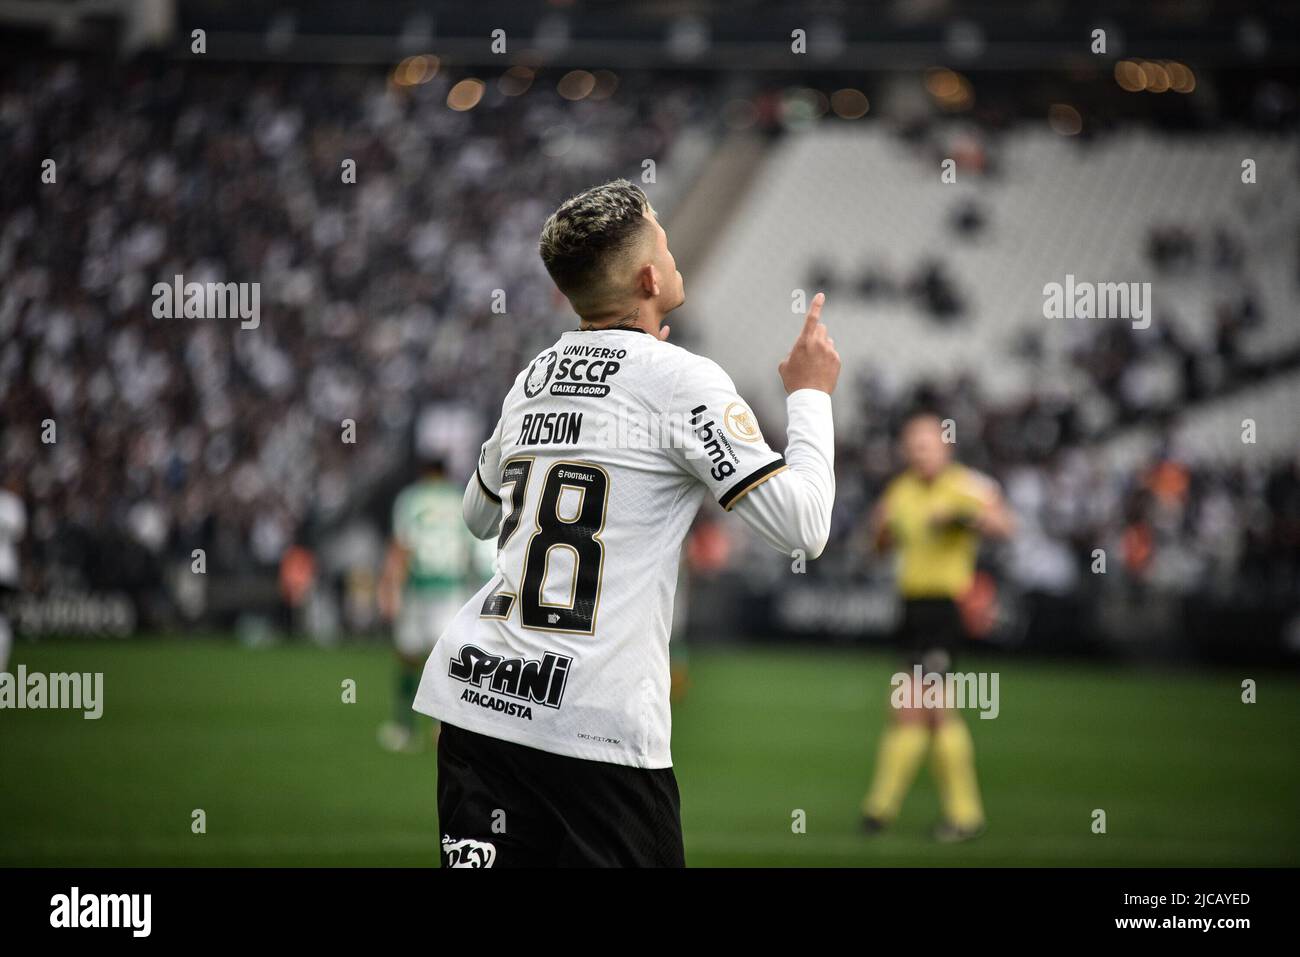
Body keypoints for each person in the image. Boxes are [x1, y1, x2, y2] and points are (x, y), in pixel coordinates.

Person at [414, 178, 840, 867]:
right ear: (648, 277)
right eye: (666, 245)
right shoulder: (679, 379)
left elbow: (476, 514)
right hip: (595, 730)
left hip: (480, 706)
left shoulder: (535, 377)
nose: (673, 256)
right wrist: (812, 397)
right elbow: (805, 525)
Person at [860, 411, 1014, 842]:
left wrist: (964, 518)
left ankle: (951, 815)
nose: (918, 453)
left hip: (946, 610)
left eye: (926, 445)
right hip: (912, 609)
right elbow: (875, 546)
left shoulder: (967, 486)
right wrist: (880, 533)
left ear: (945, 446)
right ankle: (884, 811)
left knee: (926, 709)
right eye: (912, 447)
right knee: (915, 711)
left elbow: (1006, 525)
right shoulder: (900, 491)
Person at [378, 457, 479, 753]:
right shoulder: (460, 498)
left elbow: (402, 546)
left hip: (418, 589)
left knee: (408, 655)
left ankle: (404, 728)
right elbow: (471, 549)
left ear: (424, 472)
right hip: (452, 589)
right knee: (449, 662)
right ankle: (442, 729)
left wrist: (389, 587)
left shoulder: (411, 499)